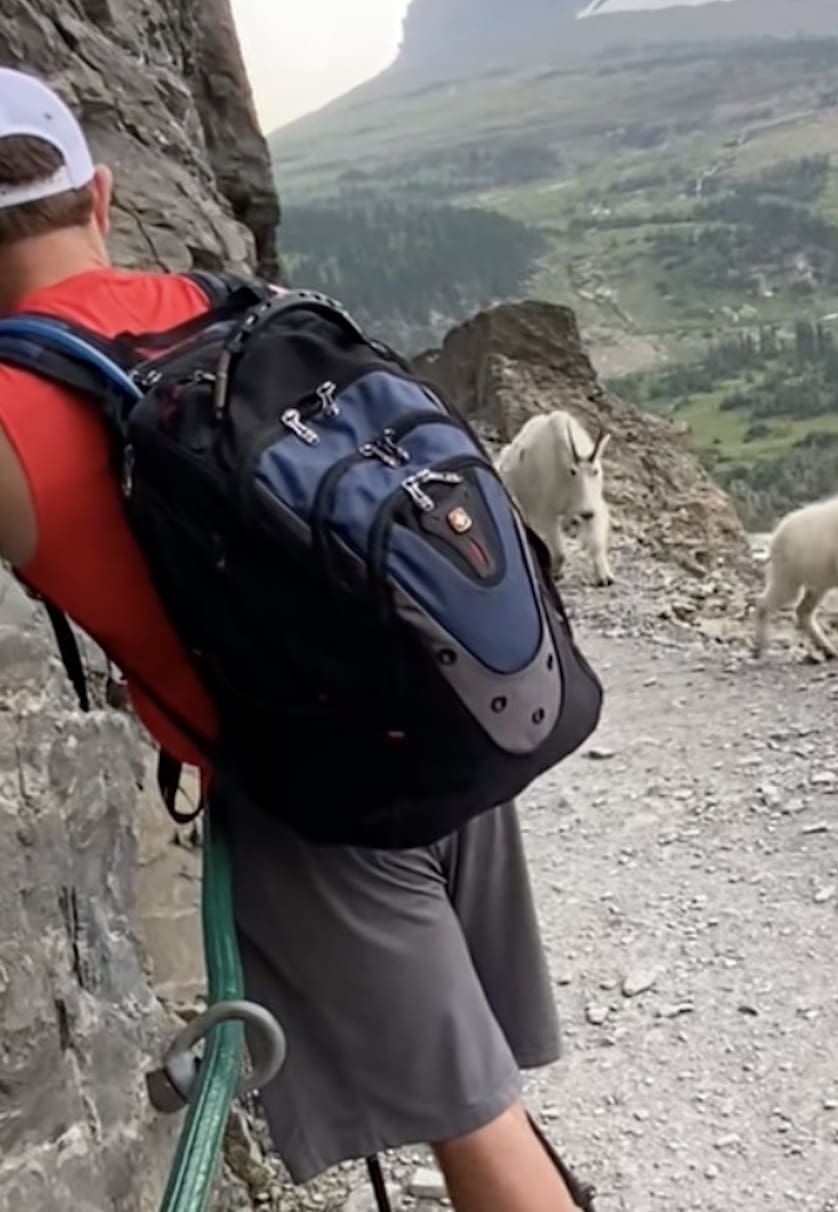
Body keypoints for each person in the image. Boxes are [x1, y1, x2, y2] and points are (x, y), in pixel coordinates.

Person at [0, 67, 577, 1212]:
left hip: (319, 796)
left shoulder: (12, 423)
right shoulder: (241, 306)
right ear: (101, 199)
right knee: (481, 1080)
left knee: (475, 1127)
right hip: (451, 699)